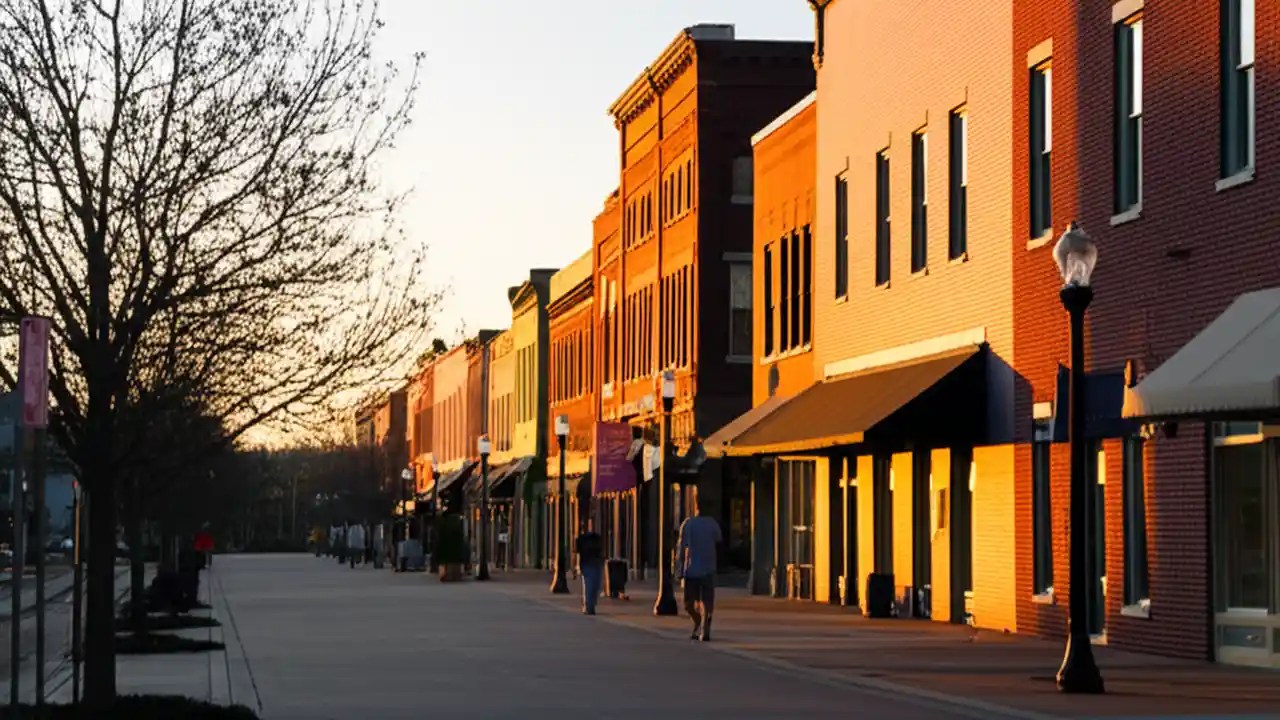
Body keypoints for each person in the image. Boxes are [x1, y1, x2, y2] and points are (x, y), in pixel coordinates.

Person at [676, 495, 722, 642]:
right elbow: (718, 542)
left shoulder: (695, 524)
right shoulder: (693, 524)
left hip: (699, 569)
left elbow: (681, 548)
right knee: (696, 603)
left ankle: (704, 627)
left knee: (697, 602)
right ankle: (700, 622)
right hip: (699, 569)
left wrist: (679, 568)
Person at [574, 519, 604, 615]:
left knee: (594, 585)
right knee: (590, 585)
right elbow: (577, 553)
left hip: (594, 563)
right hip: (587, 564)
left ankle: (590, 605)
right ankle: (588, 606)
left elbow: (601, 550)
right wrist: (577, 566)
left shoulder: (597, 538)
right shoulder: (581, 539)